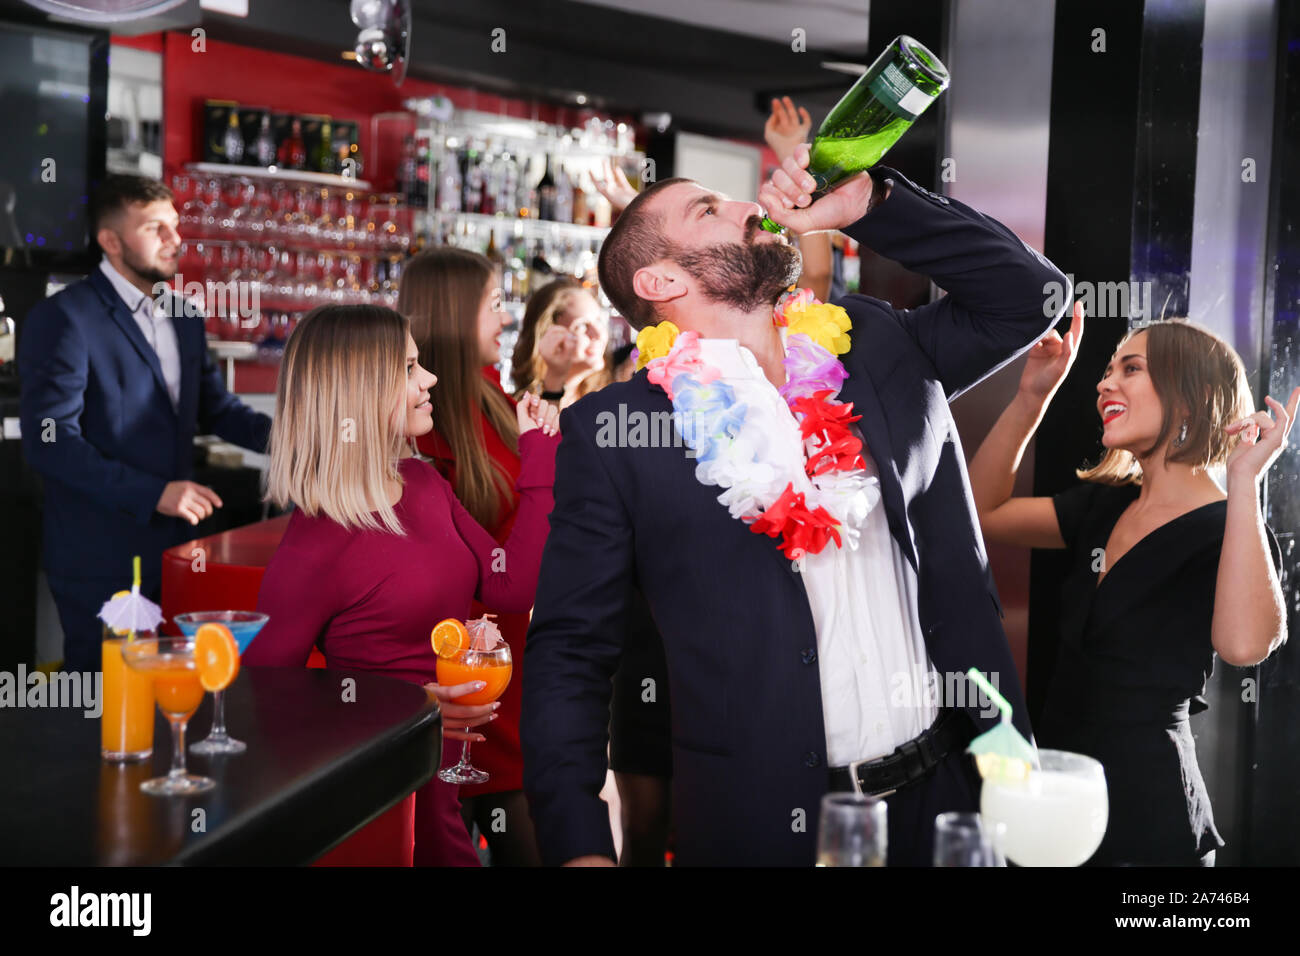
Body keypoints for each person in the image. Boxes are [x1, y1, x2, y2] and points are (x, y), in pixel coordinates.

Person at [521, 142, 1070, 867]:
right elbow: (570, 650)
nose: (751, 206)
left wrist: (869, 205)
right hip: (762, 825)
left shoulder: (875, 344)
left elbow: (1031, 295)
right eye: (709, 209)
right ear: (660, 278)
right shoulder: (619, 433)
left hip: (948, 798)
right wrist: (578, 845)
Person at [969, 309, 1292, 866]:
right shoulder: (1106, 504)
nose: (1103, 383)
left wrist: (1244, 483)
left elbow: (1244, 647)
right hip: (1055, 804)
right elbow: (984, 511)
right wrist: (1030, 398)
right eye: (1107, 370)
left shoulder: (1228, 524)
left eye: (1131, 369)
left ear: (1189, 398)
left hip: (1150, 822)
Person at [245, 304, 559, 866]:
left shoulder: (423, 481)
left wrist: (538, 458)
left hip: (440, 775)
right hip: (381, 791)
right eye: (411, 367)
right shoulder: (318, 540)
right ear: (362, 389)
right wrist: (409, 707)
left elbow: (510, 587)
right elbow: (261, 697)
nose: (430, 379)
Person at [18, 174, 270, 673]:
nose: (175, 240)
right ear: (111, 241)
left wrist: (304, 445)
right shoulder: (65, 318)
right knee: (105, 712)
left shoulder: (183, 315)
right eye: (156, 228)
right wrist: (154, 492)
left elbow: (216, 409)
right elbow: (50, 442)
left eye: (174, 226)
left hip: (178, 554)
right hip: (99, 555)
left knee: (174, 699)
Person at [397, 246, 541, 866]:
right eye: (494, 304)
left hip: (512, 666)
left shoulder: (491, 397)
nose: (505, 318)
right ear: (456, 314)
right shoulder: (420, 432)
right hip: (460, 671)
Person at [509, 277, 610, 407]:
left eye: (599, 320)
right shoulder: (524, 409)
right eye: (582, 326)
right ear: (547, 336)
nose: (598, 334)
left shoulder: (605, 400)